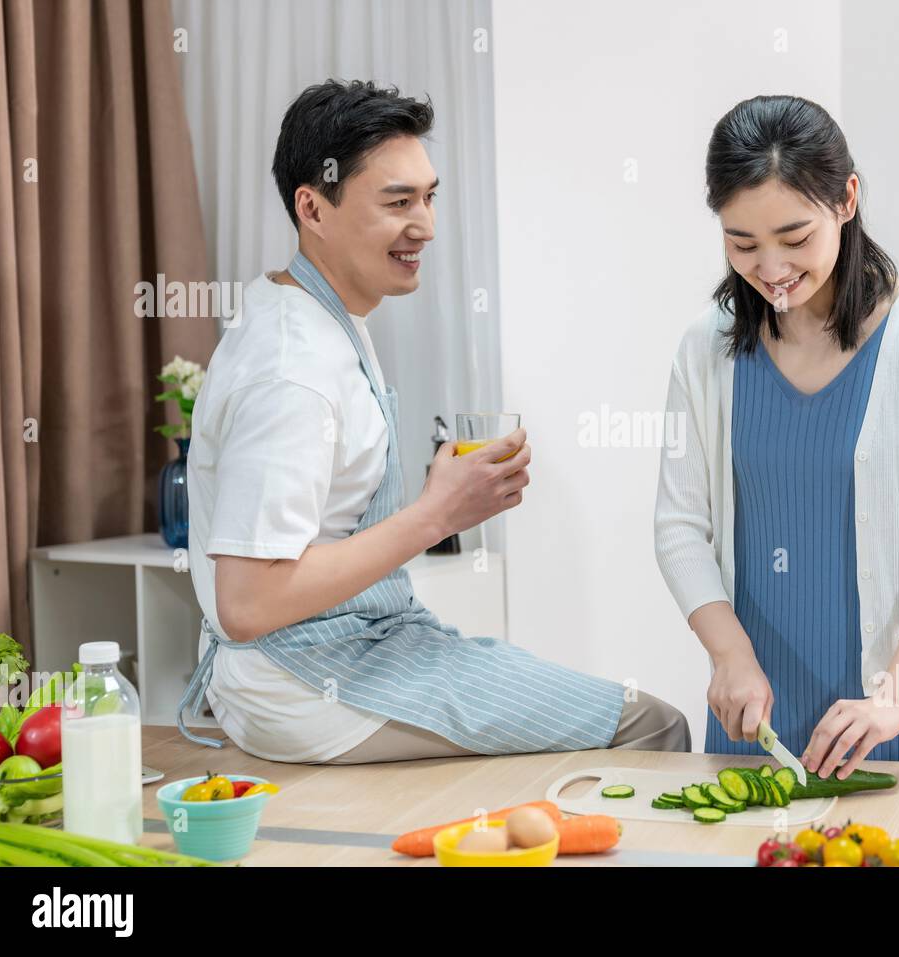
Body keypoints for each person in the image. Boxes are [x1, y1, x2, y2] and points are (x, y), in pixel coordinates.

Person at [178, 79, 689, 764]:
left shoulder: (315, 312)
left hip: (342, 648)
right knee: (651, 726)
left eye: (429, 196)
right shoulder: (292, 367)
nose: (425, 224)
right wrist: (434, 515)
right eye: (397, 203)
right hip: (304, 681)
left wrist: (440, 498)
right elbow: (247, 600)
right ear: (313, 207)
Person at [654, 95, 899, 779]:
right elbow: (680, 525)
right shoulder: (706, 350)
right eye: (742, 243)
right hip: (757, 712)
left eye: (795, 237)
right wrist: (729, 657)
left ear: (846, 200)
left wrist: (892, 698)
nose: (771, 267)